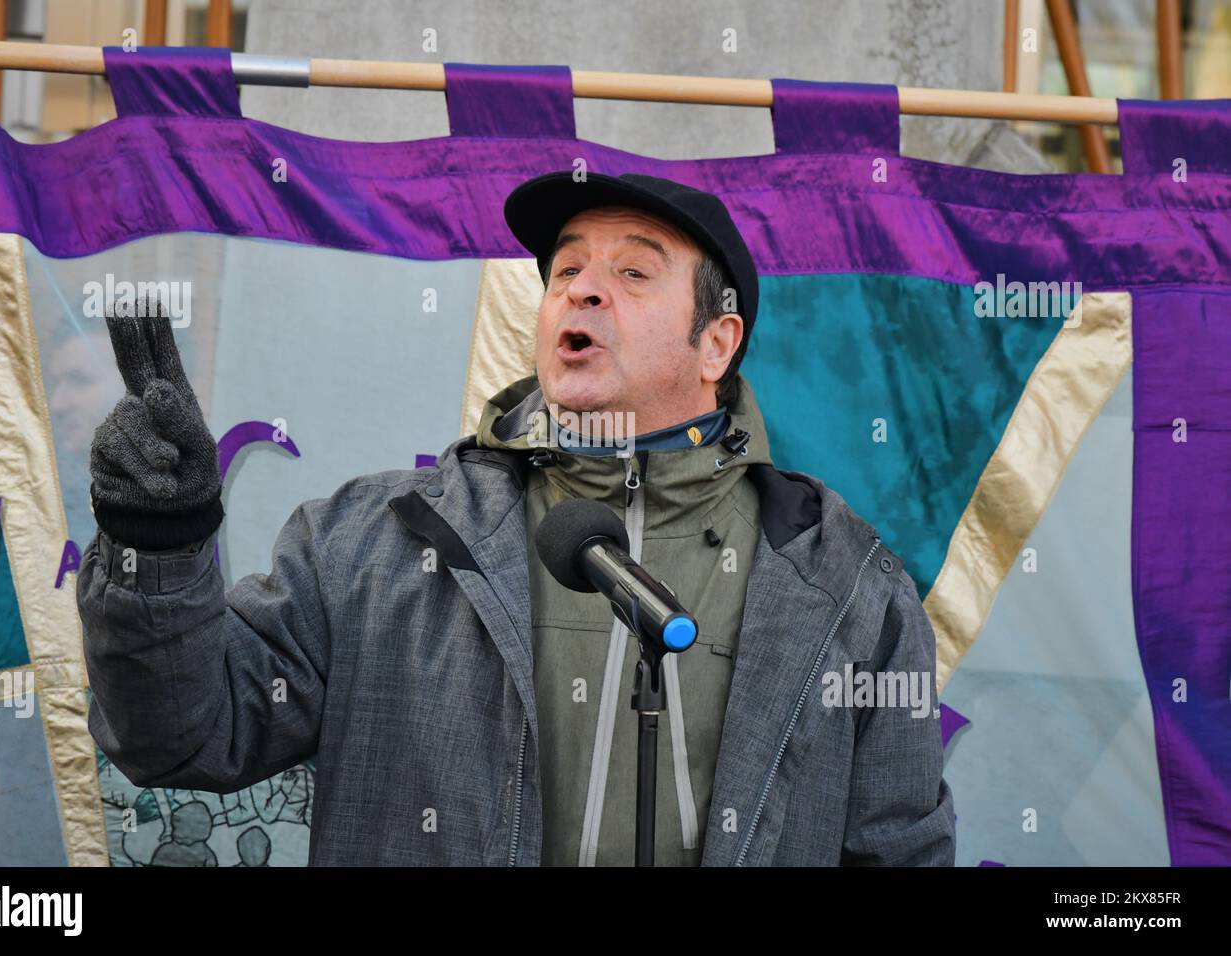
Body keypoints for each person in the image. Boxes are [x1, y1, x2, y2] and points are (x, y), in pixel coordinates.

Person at [78, 170, 955, 866]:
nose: (582, 291)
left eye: (633, 273)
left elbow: (898, 849)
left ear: (715, 345)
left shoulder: (842, 584)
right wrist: (157, 543)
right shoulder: (378, 540)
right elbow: (183, 736)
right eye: (566, 270)